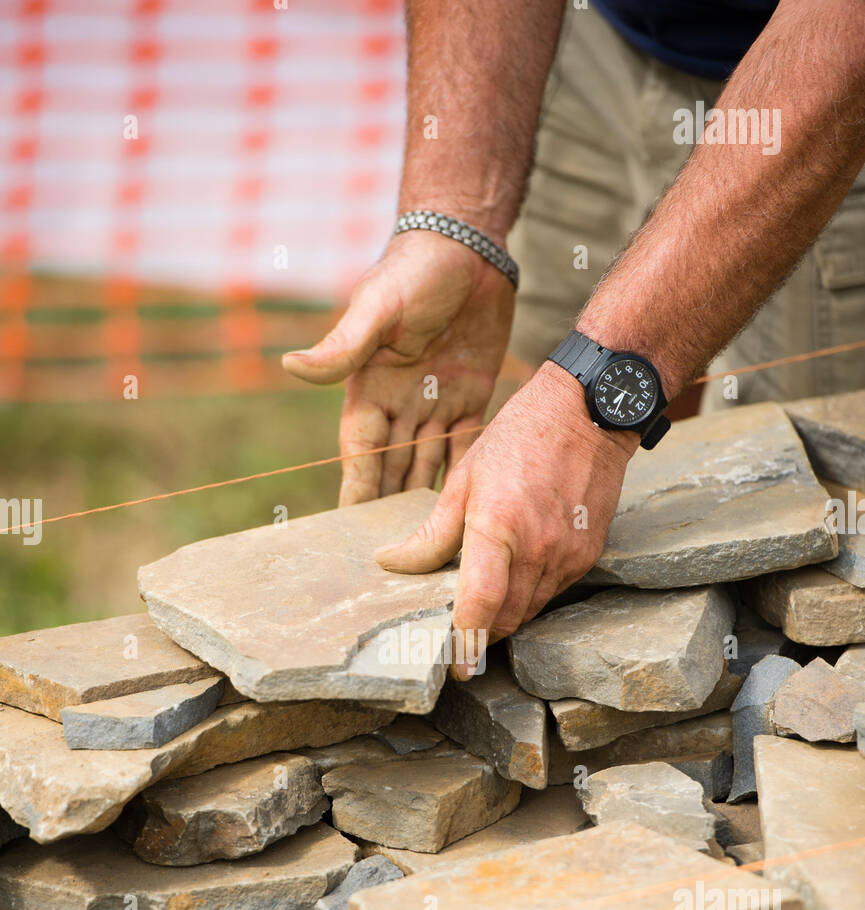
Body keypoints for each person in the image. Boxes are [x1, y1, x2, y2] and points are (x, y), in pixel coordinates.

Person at [283, 0, 865, 678]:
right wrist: (453, 219)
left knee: (823, 526)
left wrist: (588, 411)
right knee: (543, 406)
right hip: (594, 39)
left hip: (829, 64)